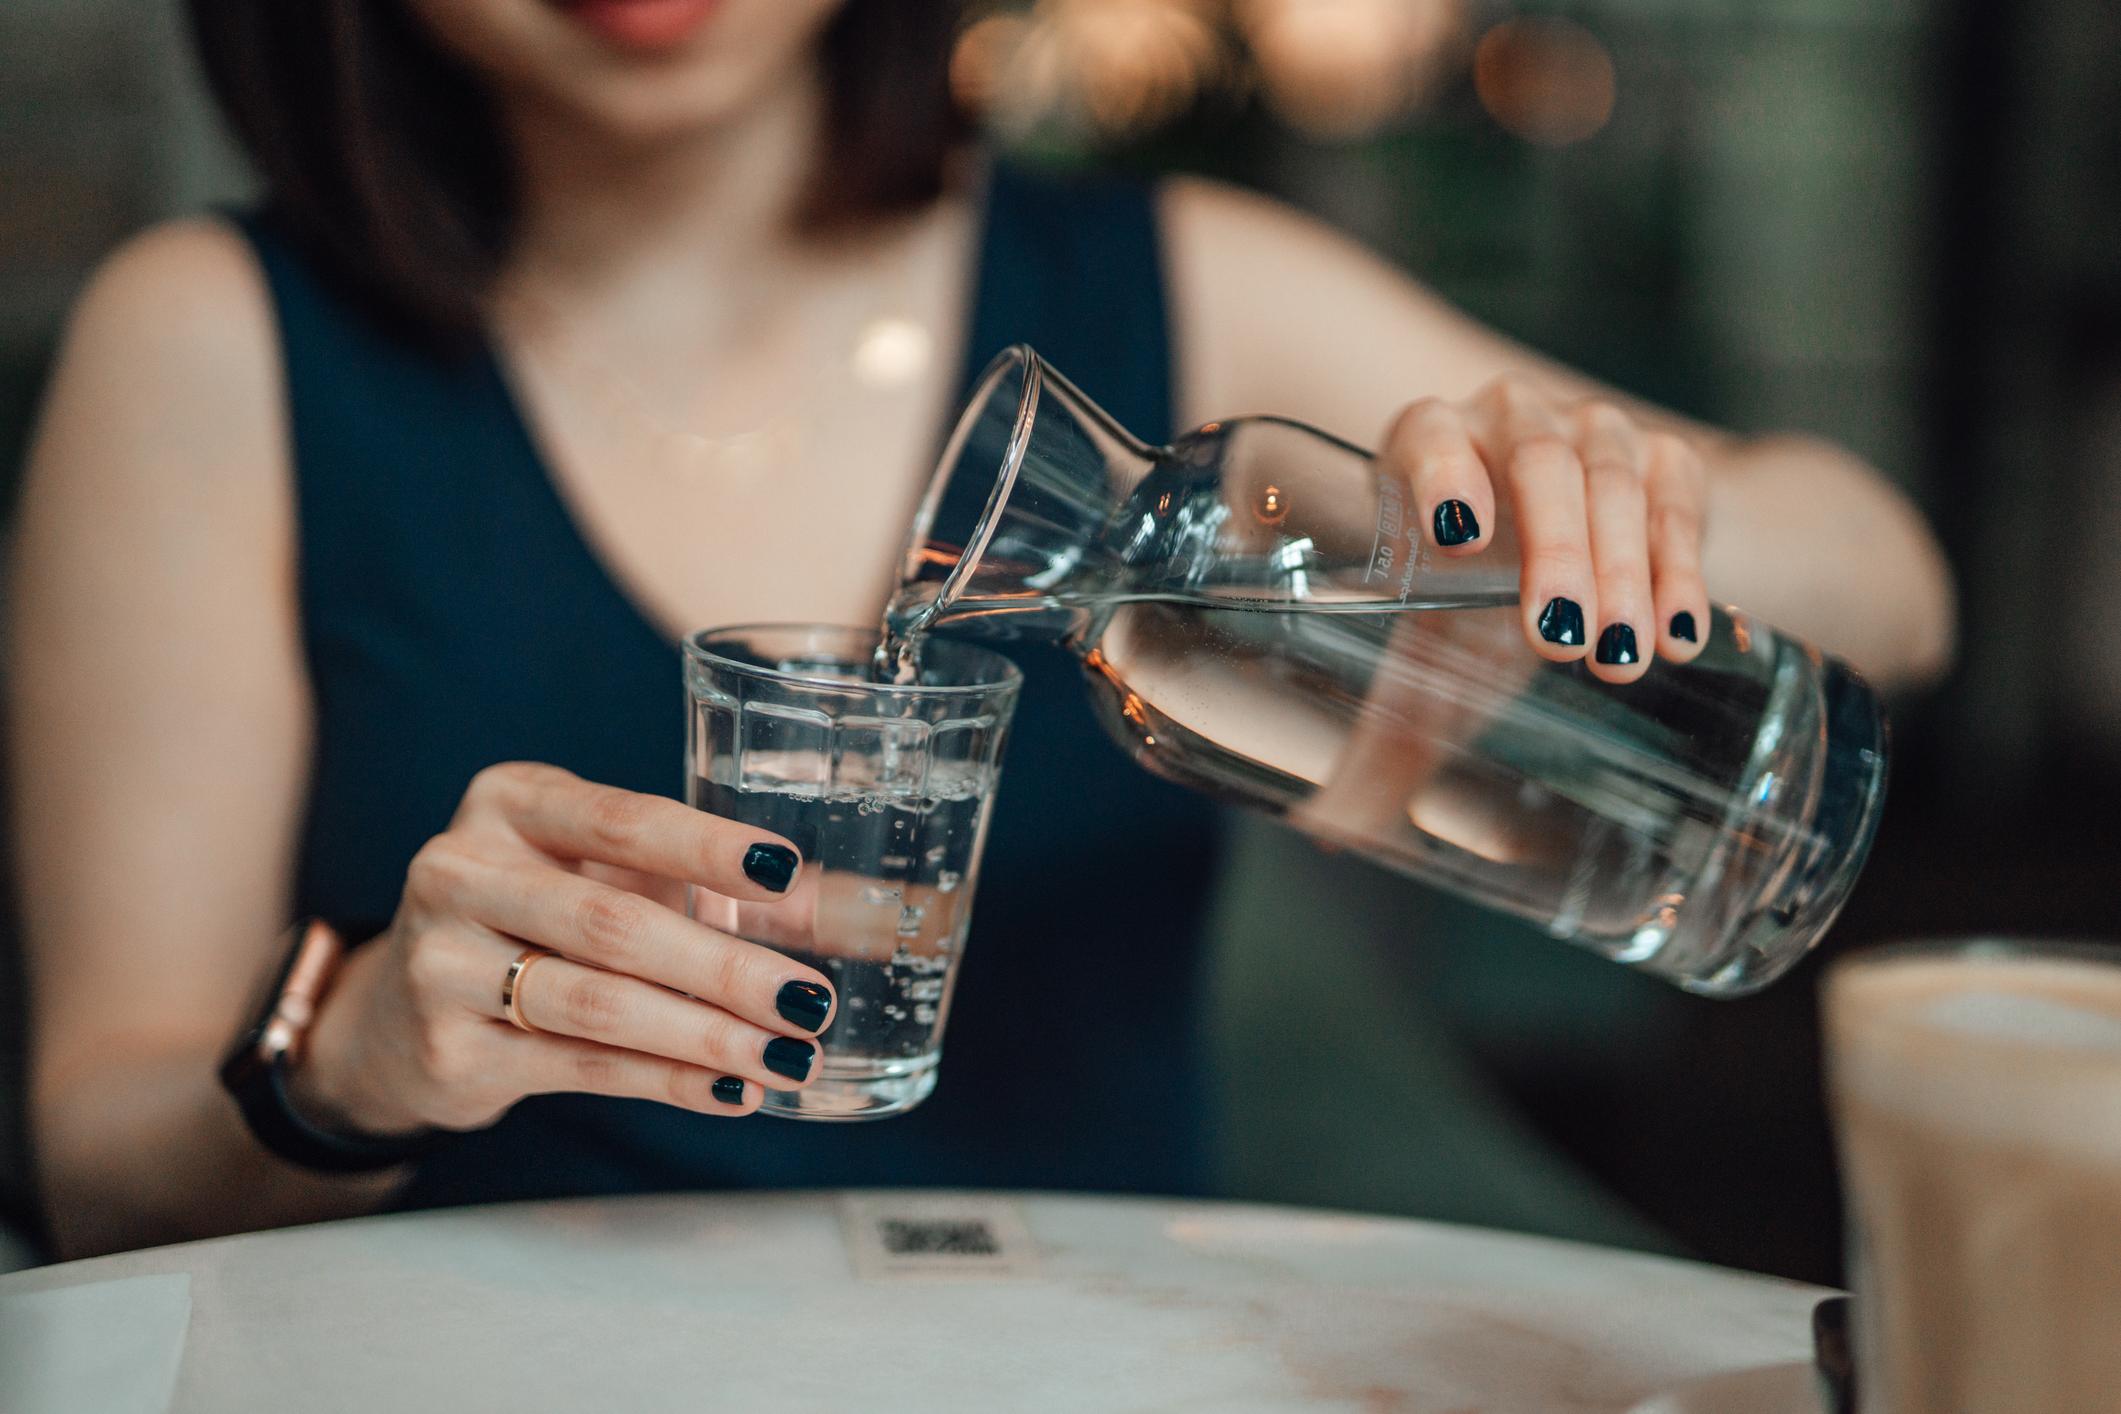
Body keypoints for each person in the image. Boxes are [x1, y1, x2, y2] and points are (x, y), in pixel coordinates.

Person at [7, 0, 1953, 1260]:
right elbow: (103, 1151)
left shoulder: (1179, 287)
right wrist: (348, 1048)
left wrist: (1593, 506)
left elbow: (1888, 573)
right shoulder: (205, 343)